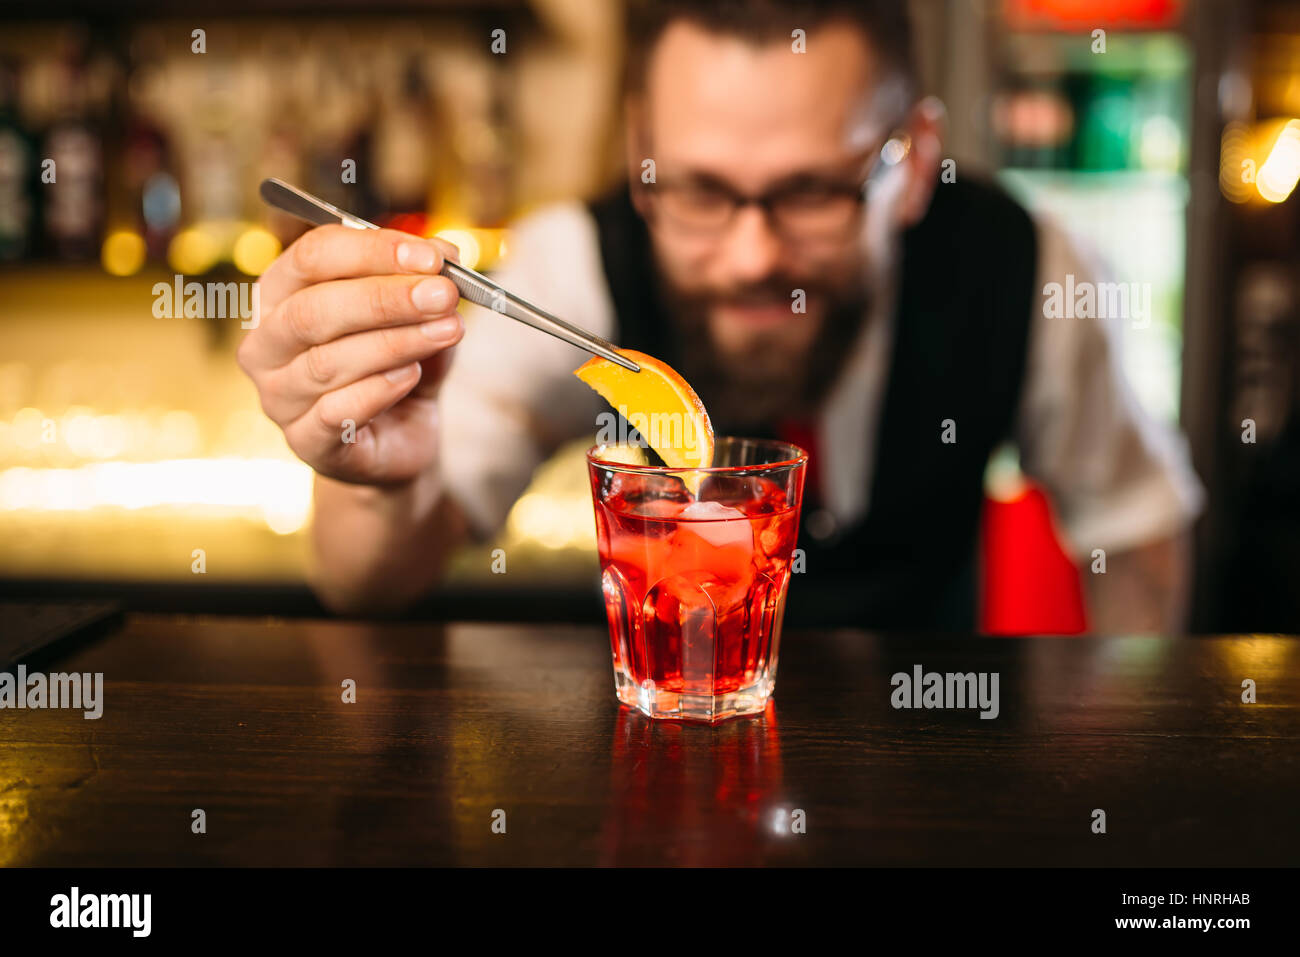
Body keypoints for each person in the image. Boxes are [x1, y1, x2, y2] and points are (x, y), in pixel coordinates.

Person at [237, 0, 1203, 631]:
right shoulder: (577, 265)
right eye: (699, 191)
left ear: (912, 158)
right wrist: (380, 480)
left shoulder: (1027, 269)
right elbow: (366, 581)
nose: (752, 258)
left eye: (812, 192)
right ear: (639, 150)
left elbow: (1137, 538)